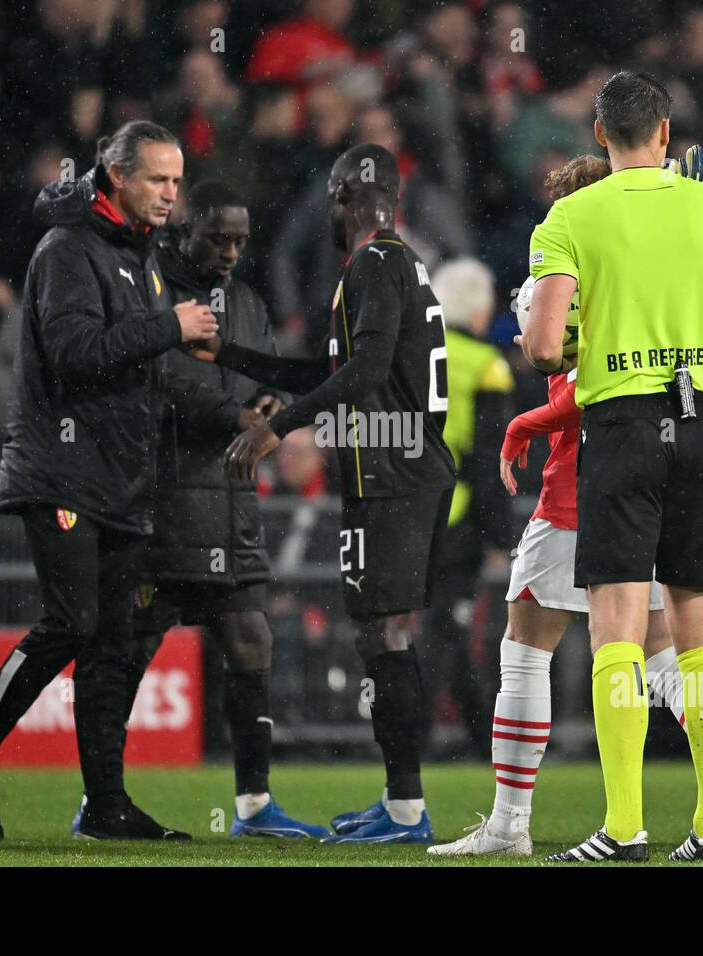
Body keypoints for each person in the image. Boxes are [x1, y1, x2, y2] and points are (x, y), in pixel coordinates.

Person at [0, 121, 218, 842]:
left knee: (112, 639)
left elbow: (134, 362)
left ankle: (106, 804)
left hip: (117, 474)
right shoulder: (67, 249)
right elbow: (74, 353)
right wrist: (166, 329)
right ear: (117, 176)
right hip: (60, 471)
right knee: (73, 623)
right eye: (158, 179)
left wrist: (222, 395)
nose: (171, 194)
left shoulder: (136, 255)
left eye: (177, 181)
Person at [520, 70, 703, 863]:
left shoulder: (570, 215)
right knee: (698, 630)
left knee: (618, 634)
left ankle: (625, 826)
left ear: (601, 135)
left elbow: (539, 346)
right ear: (666, 134)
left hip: (622, 425)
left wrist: (587, 333)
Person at [193, 143, 456, 845]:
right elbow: (333, 368)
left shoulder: (372, 264)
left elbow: (363, 371)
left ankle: (407, 810)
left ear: (340, 195)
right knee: (379, 630)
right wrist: (236, 359)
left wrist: (277, 428)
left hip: (394, 470)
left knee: (384, 630)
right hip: (402, 463)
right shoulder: (395, 262)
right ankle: (397, 800)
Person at [430, 154, 676, 858]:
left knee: (525, 651)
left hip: (579, 492)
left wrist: (527, 419)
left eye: (564, 200)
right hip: (653, 485)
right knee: (661, 657)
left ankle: (510, 826)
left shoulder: (569, 264)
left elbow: (582, 381)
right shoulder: (651, 270)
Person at [130, 179, 327, 839]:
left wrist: (267, 401)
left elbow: (261, 372)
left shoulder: (244, 301)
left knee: (252, 639)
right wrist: (234, 412)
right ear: (185, 227)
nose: (230, 251)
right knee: (128, 647)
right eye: (218, 238)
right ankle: (102, 796)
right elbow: (157, 377)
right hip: (165, 497)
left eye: (240, 240)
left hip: (233, 498)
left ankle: (253, 807)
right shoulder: (150, 288)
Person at [418, 256, 513, 759]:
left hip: (410, 510)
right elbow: (488, 462)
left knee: (442, 626)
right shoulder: (486, 365)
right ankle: (410, 745)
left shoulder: (416, 354)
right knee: (445, 628)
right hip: (458, 518)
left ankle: (483, 741)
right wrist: (499, 536)